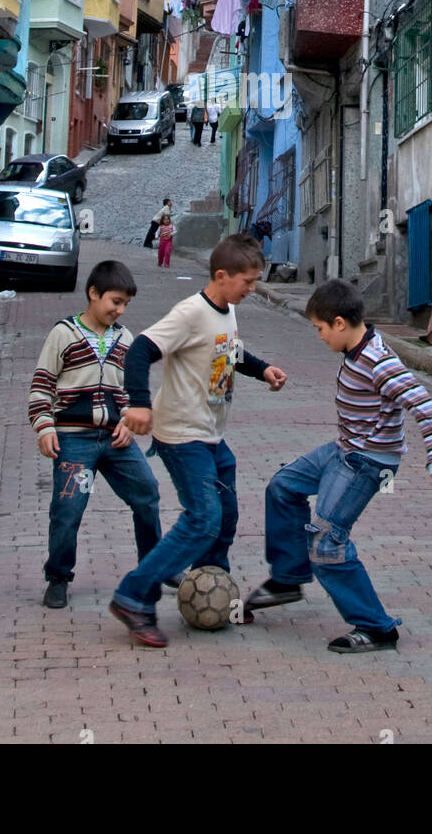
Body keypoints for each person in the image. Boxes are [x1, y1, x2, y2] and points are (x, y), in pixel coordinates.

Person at [244, 279, 432, 653]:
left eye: (320, 328)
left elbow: (422, 403)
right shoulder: (356, 349)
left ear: (340, 323)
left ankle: (377, 628)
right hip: (345, 449)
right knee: (283, 486)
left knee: (327, 540)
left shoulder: (379, 361)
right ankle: (288, 576)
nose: (318, 337)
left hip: (368, 461)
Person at [109, 233, 288, 647]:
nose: (252, 288)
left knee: (224, 516)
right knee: (203, 519)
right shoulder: (190, 312)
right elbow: (139, 350)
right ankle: (133, 596)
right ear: (222, 276)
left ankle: (213, 589)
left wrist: (262, 369)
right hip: (183, 435)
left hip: (211, 435)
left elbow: (229, 350)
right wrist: (138, 404)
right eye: (247, 281)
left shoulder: (225, 310)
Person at [29, 260, 164, 610]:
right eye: (114, 302)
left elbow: (131, 393)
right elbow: (41, 386)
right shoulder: (63, 334)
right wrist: (44, 426)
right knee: (68, 509)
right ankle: (58, 576)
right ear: (93, 293)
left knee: (147, 495)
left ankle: (152, 567)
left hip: (116, 440)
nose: (118, 311)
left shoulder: (126, 339)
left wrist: (127, 421)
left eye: (124, 305)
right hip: (74, 440)